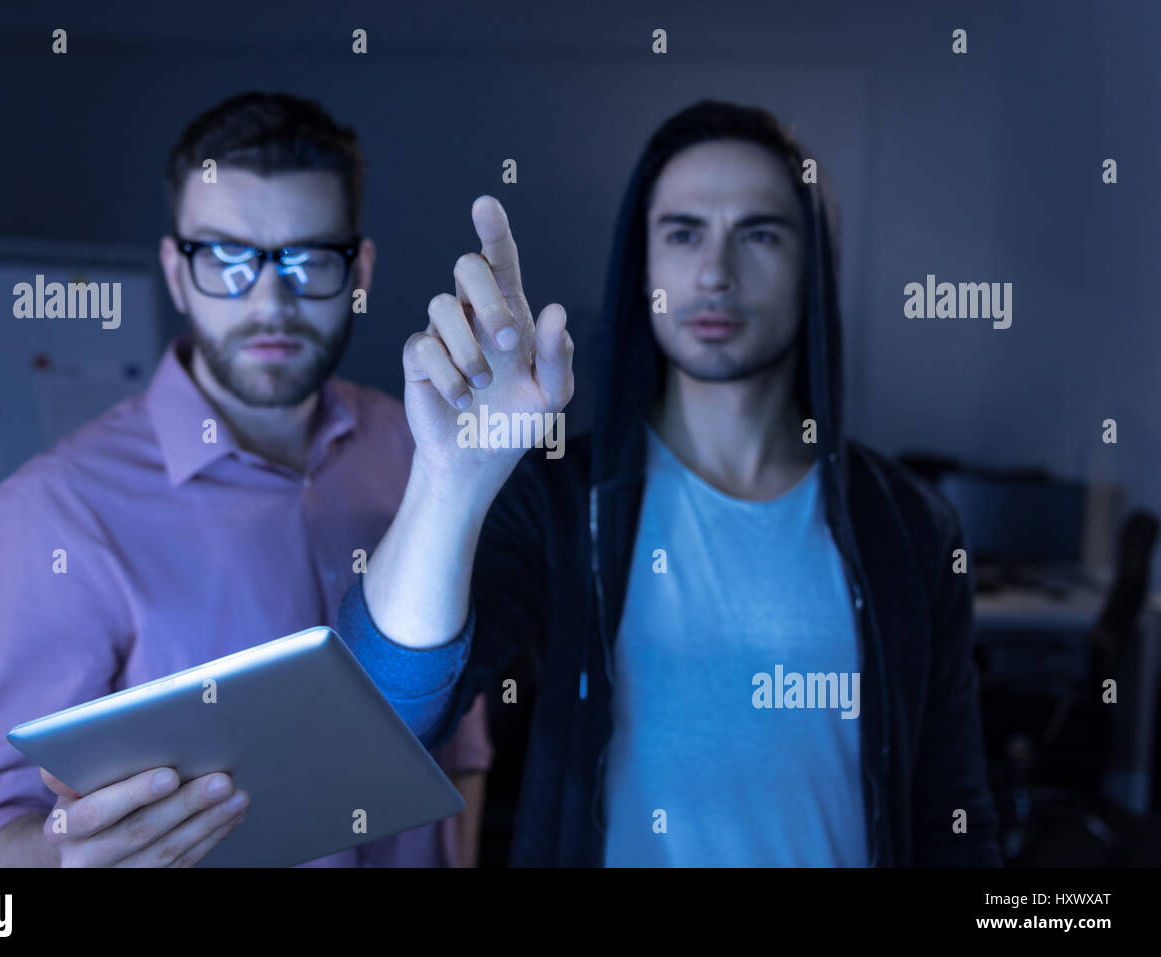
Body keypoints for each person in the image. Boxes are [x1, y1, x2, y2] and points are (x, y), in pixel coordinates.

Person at [337, 100, 1002, 866]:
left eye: (759, 234)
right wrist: (449, 482)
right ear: (642, 263)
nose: (716, 273)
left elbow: (957, 819)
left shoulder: (911, 526)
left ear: (812, 263)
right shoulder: (562, 500)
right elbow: (384, 713)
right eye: (684, 233)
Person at [0, 91, 491, 868]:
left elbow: (460, 740)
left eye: (307, 259)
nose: (270, 300)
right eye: (227, 260)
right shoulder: (53, 509)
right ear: (175, 268)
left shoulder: (418, 444)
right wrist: (68, 862)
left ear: (358, 269)